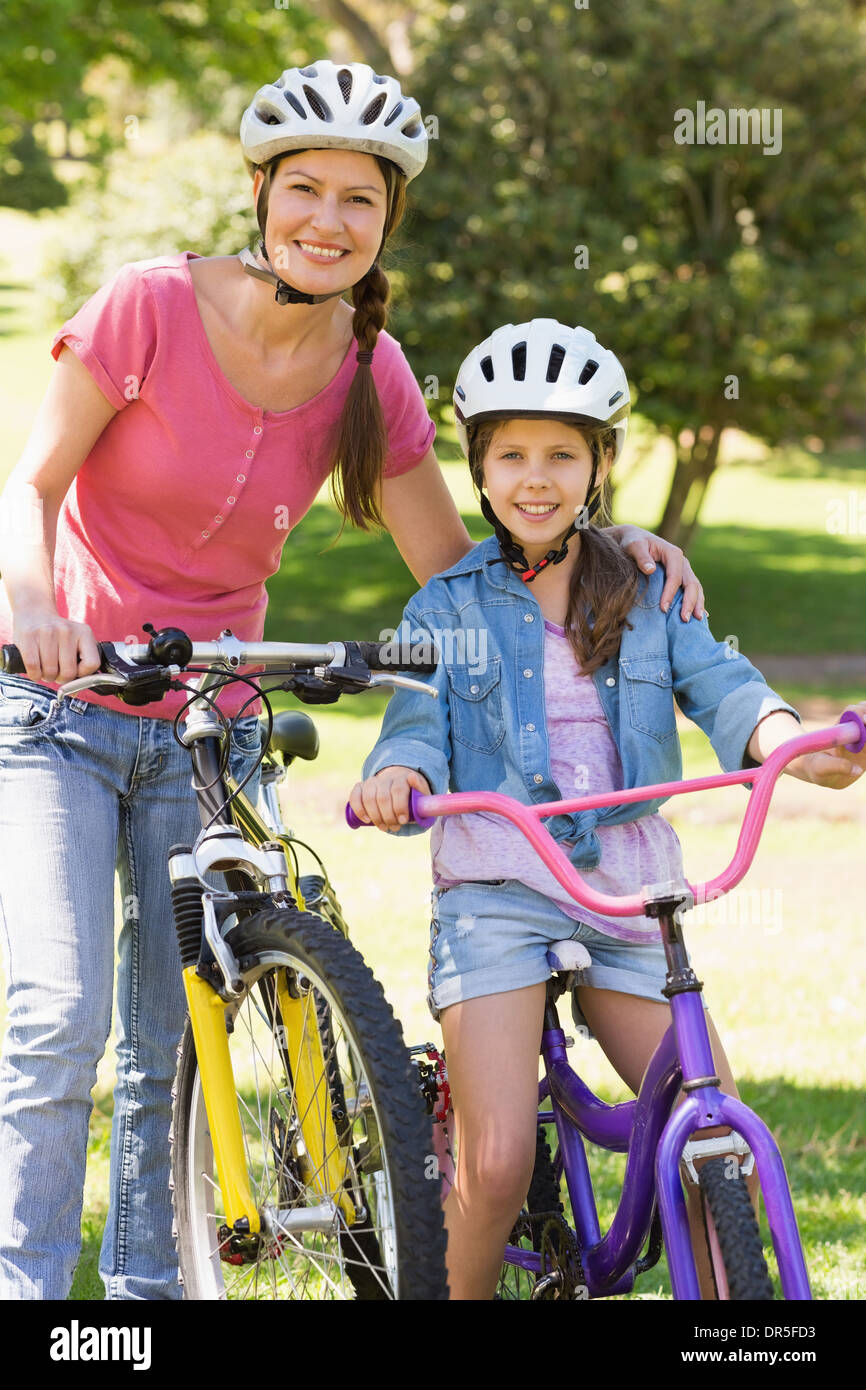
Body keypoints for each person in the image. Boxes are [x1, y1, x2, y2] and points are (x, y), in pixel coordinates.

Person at [0, 61, 702, 1300]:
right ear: (261, 193)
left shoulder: (365, 370)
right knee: (57, 1021)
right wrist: (35, 612)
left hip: (210, 722)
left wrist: (608, 547)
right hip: (64, 704)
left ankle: (148, 1303)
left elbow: (462, 567)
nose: (326, 221)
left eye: (358, 200)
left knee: (176, 1038)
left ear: (387, 221)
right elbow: (33, 484)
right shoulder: (148, 307)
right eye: (303, 190)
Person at [349, 318, 866, 1300]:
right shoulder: (445, 607)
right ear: (477, 467)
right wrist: (396, 776)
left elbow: (724, 688)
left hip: (631, 899)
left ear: (597, 466)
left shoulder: (646, 591)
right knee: (496, 1159)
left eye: (560, 453)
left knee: (711, 1135)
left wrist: (795, 747)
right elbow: (413, 722)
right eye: (510, 454)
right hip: (497, 895)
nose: (533, 478)